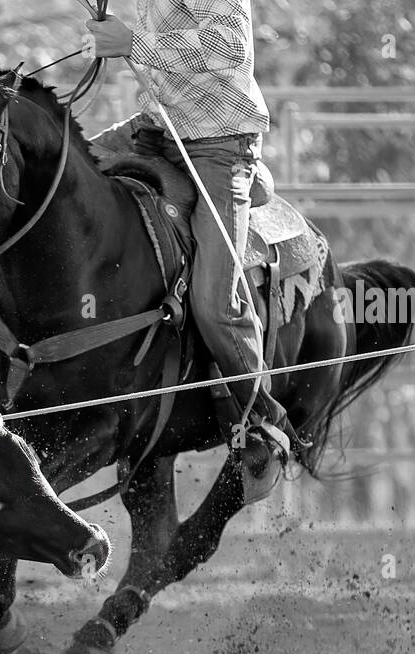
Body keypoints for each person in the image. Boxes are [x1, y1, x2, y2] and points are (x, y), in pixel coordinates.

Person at [84, 1, 300, 499]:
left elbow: (228, 47)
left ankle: (264, 421)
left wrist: (130, 43)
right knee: (62, 178)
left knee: (213, 303)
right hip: (157, 130)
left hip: (219, 143)